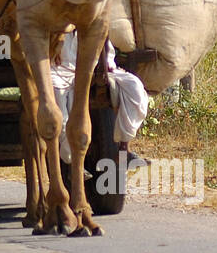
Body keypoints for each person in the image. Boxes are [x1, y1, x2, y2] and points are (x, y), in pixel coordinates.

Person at [49, 30, 150, 171]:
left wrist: (105, 66)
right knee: (60, 102)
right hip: (59, 72)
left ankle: (123, 150)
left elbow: (106, 51)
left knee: (135, 87)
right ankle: (73, 162)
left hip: (93, 71)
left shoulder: (92, 22)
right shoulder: (54, 23)